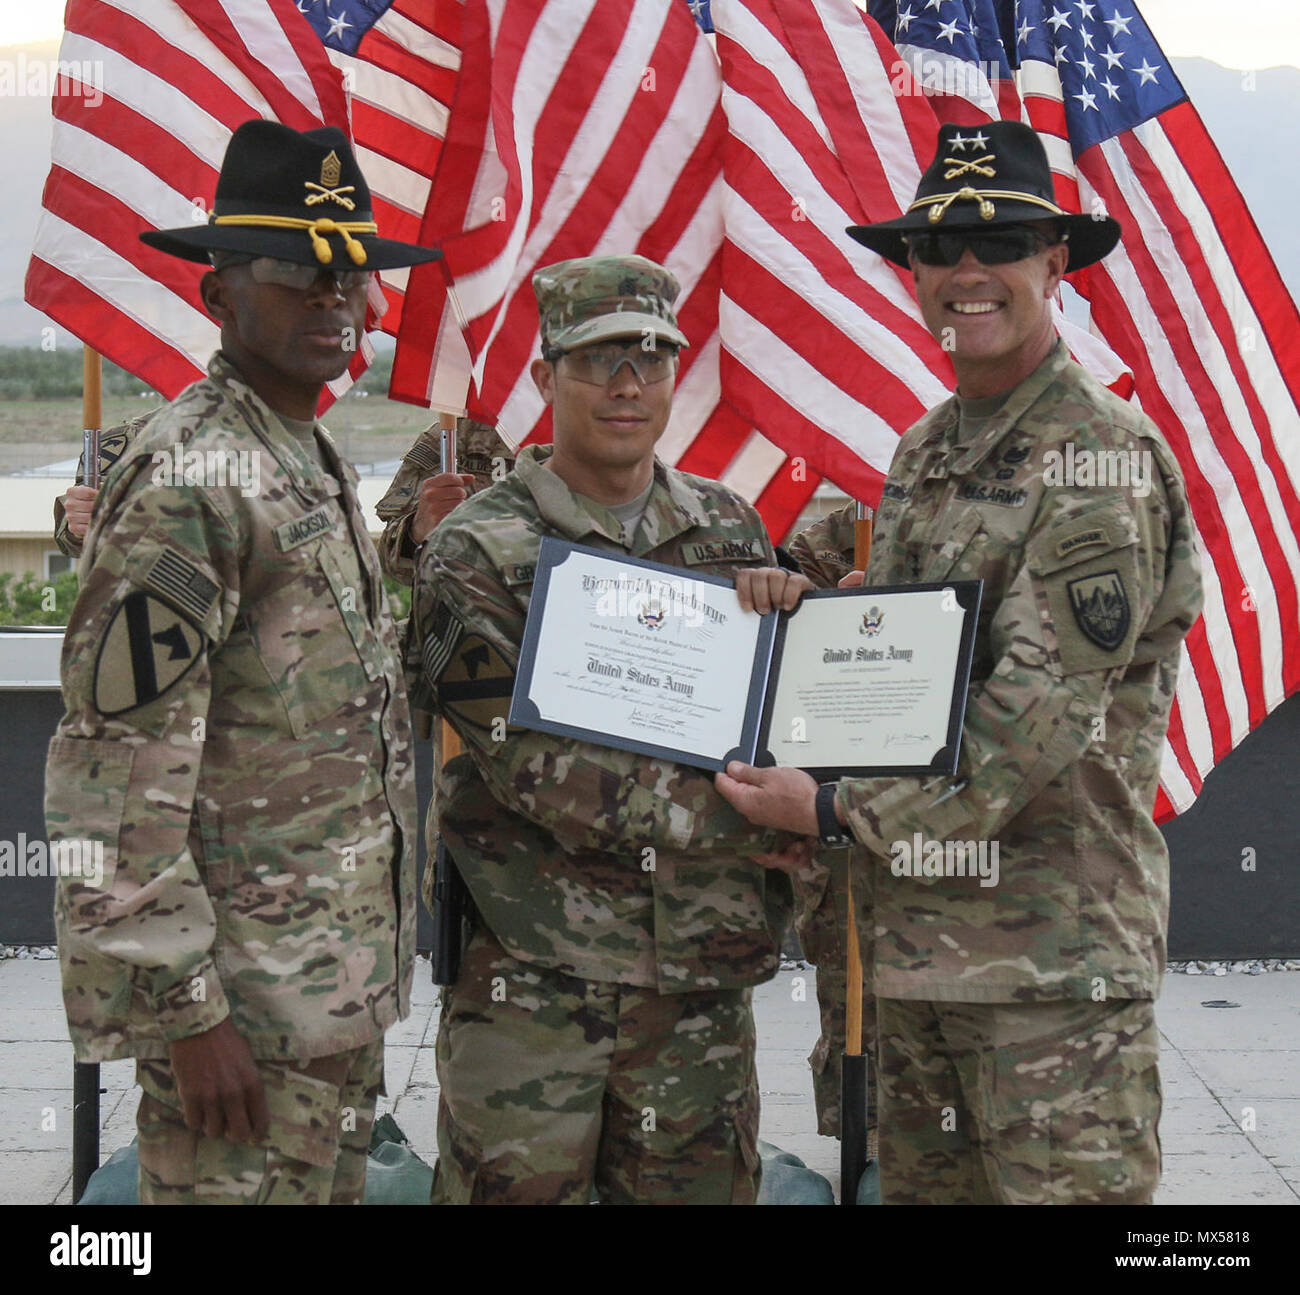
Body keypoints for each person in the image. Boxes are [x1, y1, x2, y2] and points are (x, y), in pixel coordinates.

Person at [714, 120, 1204, 1205]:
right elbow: (920, 671)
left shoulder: (1094, 455)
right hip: (912, 954)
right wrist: (835, 640)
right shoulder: (931, 444)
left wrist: (835, 810)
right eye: (939, 250)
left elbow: (1039, 718)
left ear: (1053, 261)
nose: (966, 272)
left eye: (1002, 241)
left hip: (1045, 968)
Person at [45, 119, 441, 1205]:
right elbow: (111, 779)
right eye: (296, 271)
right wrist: (187, 1013)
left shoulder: (300, 451)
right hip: (244, 1020)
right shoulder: (191, 480)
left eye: (350, 271)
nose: (334, 298)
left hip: (327, 995)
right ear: (217, 291)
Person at [410, 253, 811, 1205]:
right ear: (546, 377)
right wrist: (780, 820)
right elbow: (535, 767)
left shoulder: (728, 529)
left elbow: (775, 714)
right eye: (598, 360)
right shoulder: (477, 550)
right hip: (534, 987)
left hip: (698, 990)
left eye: (651, 357)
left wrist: (798, 627)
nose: (628, 383)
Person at [783, 512, 877, 1146]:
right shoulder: (823, 544)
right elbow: (786, 673)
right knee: (853, 983)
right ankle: (864, 1137)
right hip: (842, 800)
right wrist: (831, 620)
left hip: (960, 799)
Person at [376, 417, 514, 584]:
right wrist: (419, 531)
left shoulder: (550, 443)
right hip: (466, 602)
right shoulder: (452, 435)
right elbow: (394, 563)